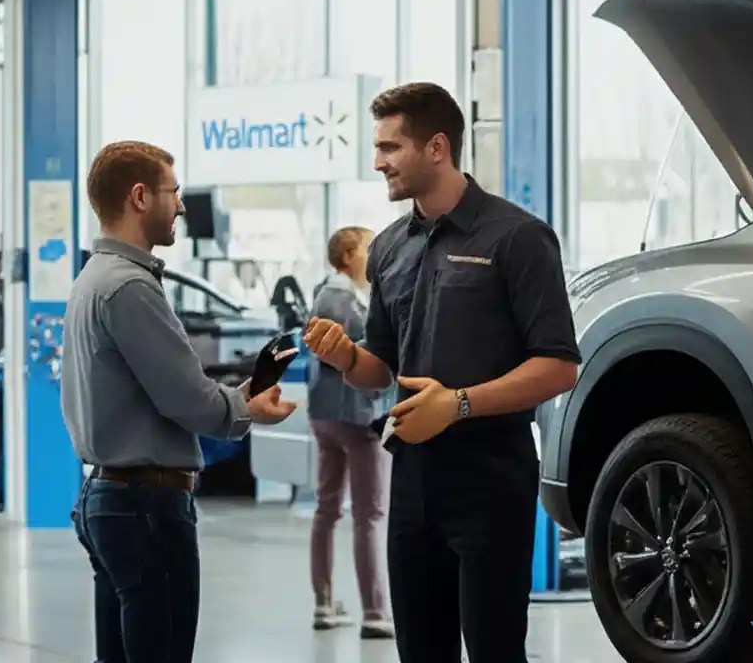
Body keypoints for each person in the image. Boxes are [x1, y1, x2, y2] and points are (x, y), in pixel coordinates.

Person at [304, 82, 581, 663]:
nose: (377, 162)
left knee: (494, 649)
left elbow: (559, 366)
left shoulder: (518, 238)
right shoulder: (387, 249)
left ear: (436, 147)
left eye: (389, 147)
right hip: (410, 476)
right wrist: (345, 357)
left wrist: (456, 404)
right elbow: (380, 367)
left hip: (491, 476)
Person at [61, 140, 298, 663]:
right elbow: (190, 401)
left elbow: (162, 394)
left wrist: (241, 398)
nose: (183, 206)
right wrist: (242, 411)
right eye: (175, 192)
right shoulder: (129, 288)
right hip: (146, 507)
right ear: (140, 196)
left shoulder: (93, 280)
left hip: (110, 500)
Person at [306, 225, 396, 637]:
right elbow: (361, 356)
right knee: (370, 515)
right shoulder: (341, 299)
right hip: (357, 418)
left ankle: (325, 603)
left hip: (328, 416)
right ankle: (375, 612)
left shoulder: (336, 294)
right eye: (367, 247)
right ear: (347, 254)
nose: (374, 254)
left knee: (328, 508)